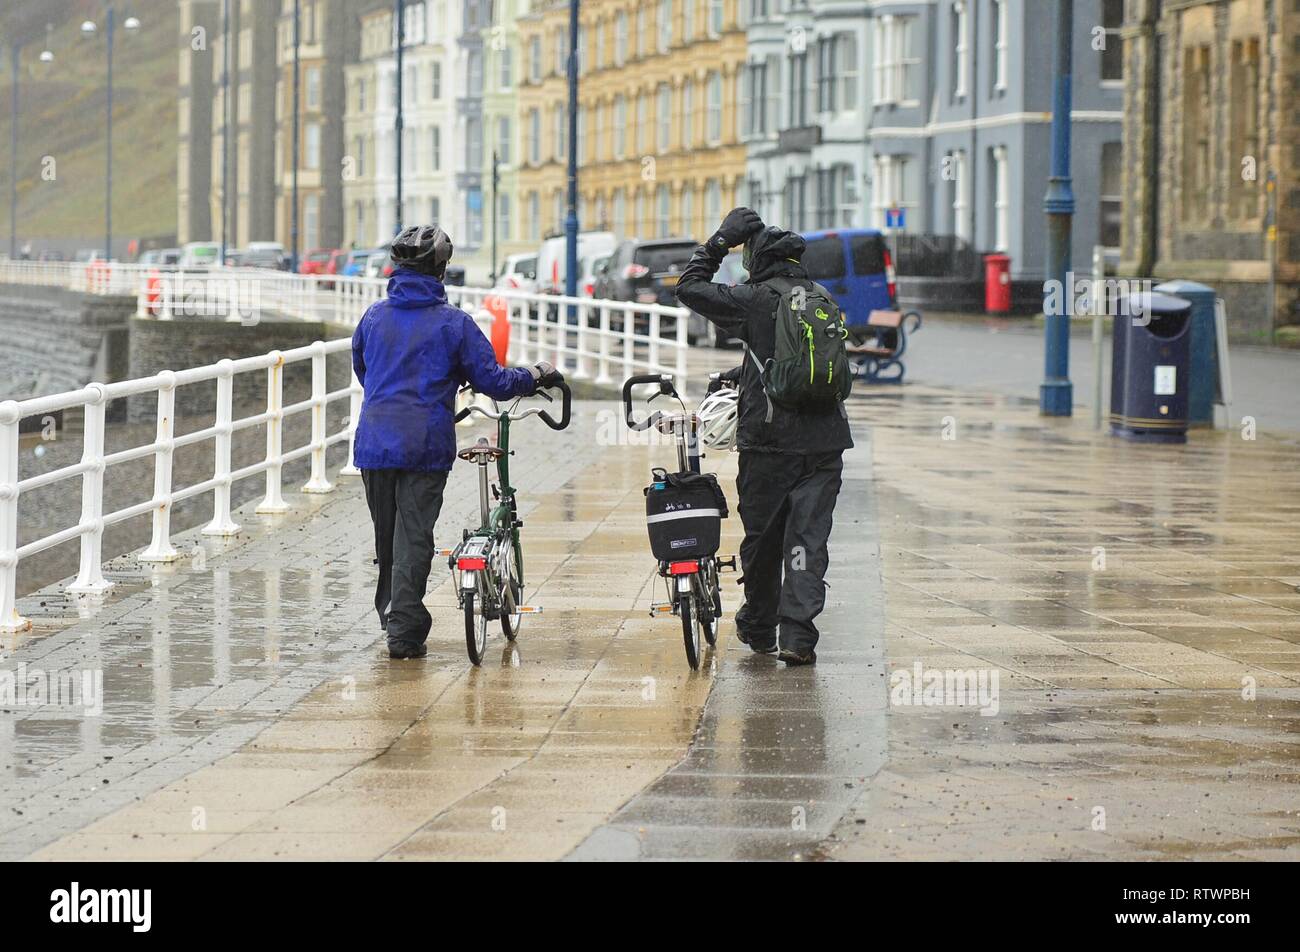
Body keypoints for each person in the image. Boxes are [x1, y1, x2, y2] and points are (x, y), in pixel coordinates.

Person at [351, 224, 562, 659]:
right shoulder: (453, 325)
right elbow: (495, 382)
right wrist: (535, 375)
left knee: (387, 538)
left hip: (374, 442)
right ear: (441, 270)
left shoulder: (373, 317)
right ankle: (404, 632)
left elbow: (364, 370)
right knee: (414, 538)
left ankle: (395, 614)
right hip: (423, 445)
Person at [675, 208, 852, 666]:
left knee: (764, 539)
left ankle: (758, 628)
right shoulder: (820, 297)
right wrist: (740, 373)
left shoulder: (755, 298)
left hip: (770, 444)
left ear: (756, 261)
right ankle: (798, 638)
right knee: (806, 543)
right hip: (826, 442)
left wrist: (718, 242)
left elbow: (688, 288)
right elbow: (793, 360)